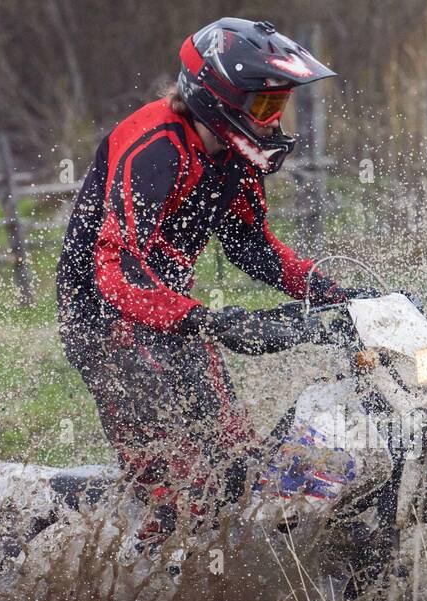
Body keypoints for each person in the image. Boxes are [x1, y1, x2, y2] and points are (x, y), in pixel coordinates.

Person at [56, 17, 368, 542]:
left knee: (237, 468)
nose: (275, 120)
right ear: (221, 98)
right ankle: (129, 594)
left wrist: (349, 299)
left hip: (176, 320)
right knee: (184, 493)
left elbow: (254, 247)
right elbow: (114, 272)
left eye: (280, 106)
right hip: (107, 327)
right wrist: (217, 323)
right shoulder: (157, 147)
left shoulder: (236, 157)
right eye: (266, 105)